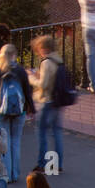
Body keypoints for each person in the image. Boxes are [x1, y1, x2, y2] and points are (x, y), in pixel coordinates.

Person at [0, 43, 34, 183]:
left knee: (5, 142)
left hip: (1, 111)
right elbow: (27, 91)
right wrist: (31, 108)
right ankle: (15, 174)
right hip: (20, 111)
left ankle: (6, 175)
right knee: (16, 141)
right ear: (14, 55)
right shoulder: (20, 71)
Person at [31, 35, 66, 175]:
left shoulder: (46, 63)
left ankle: (42, 163)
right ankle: (57, 164)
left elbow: (43, 84)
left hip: (46, 100)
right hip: (58, 100)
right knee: (57, 132)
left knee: (42, 132)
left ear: (43, 48)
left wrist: (31, 77)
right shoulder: (58, 60)